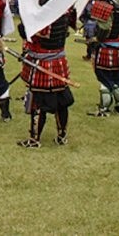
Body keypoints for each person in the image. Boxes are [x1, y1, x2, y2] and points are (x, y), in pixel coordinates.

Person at [16, 9, 75, 148]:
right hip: (58, 61)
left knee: (38, 102)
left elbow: (26, 32)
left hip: (43, 62)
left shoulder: (43, 17)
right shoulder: (65, 12)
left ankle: (35, 139)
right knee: (61, 100)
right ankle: (61, 136)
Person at [87, 0, 119, 117]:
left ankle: (104, 108)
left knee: (103, 77)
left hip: (106, 46)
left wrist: (96, 39)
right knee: (117, 76)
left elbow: (104, 28)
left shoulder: (104, 5)